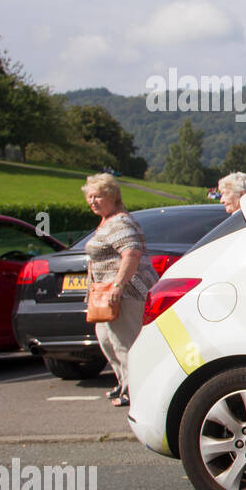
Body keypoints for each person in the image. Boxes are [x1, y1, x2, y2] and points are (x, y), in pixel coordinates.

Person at [81, 173, 158, 407]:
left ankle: (135, 391)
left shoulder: (120, 222)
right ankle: (124, 383)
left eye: (99, 196)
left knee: (125, 343)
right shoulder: (107, 220)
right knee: (106, 340)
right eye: (90, 196)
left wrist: (118, 285)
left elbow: (131, 253)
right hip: (104, 294)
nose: (93, 201)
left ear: (113, 197)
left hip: (126, 293)